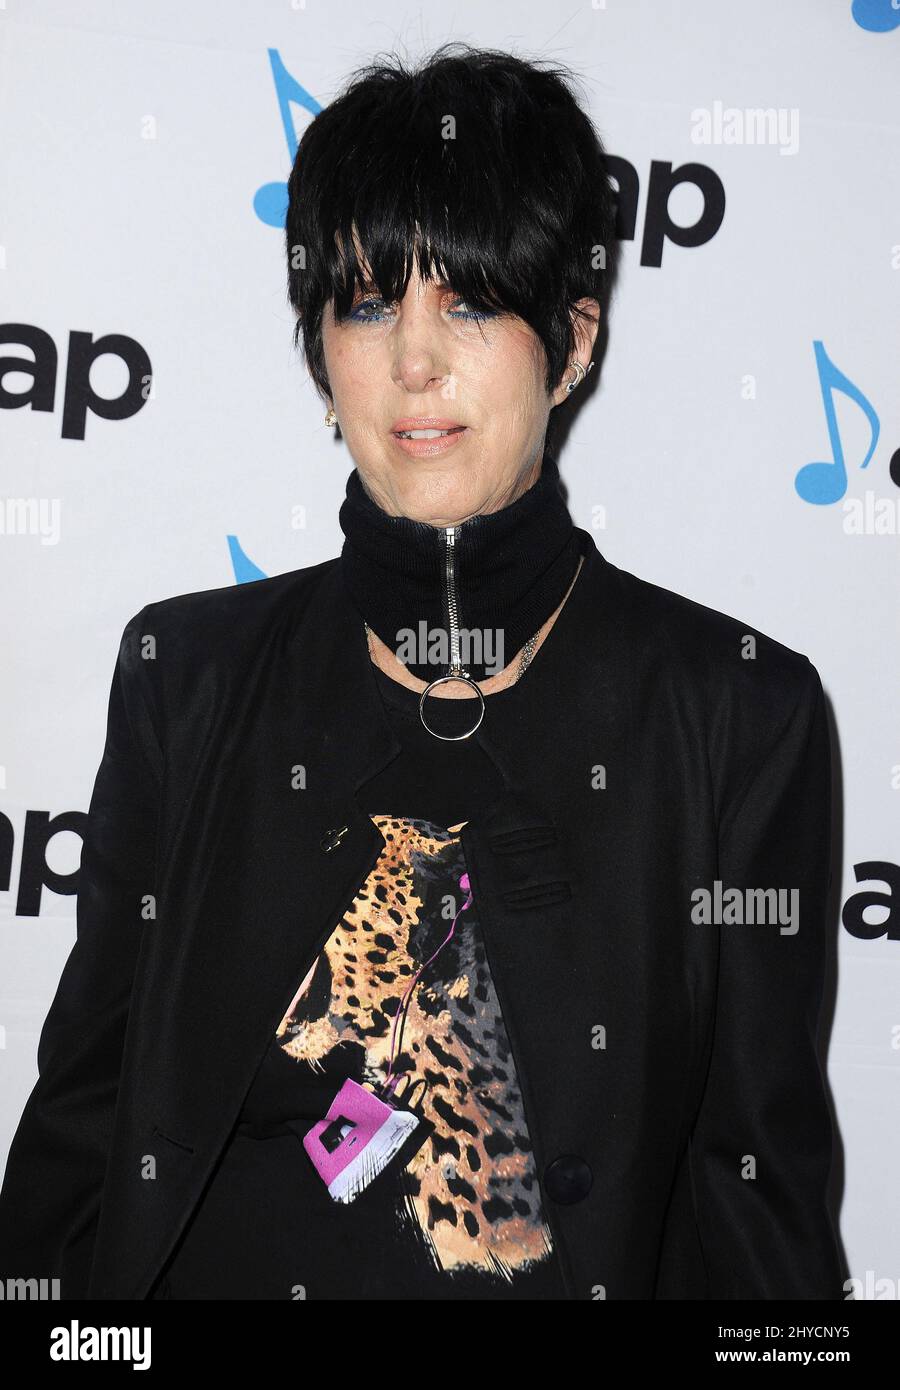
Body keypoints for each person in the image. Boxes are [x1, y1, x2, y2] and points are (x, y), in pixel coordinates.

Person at [0, 42, 843, 1300]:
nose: (412, 361)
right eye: (368, 302)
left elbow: (759, 1216)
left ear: (572, 341)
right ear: (319, 350)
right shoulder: (190, 677)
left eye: (468, 301)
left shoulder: (737, 713)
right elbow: (80, 1133)